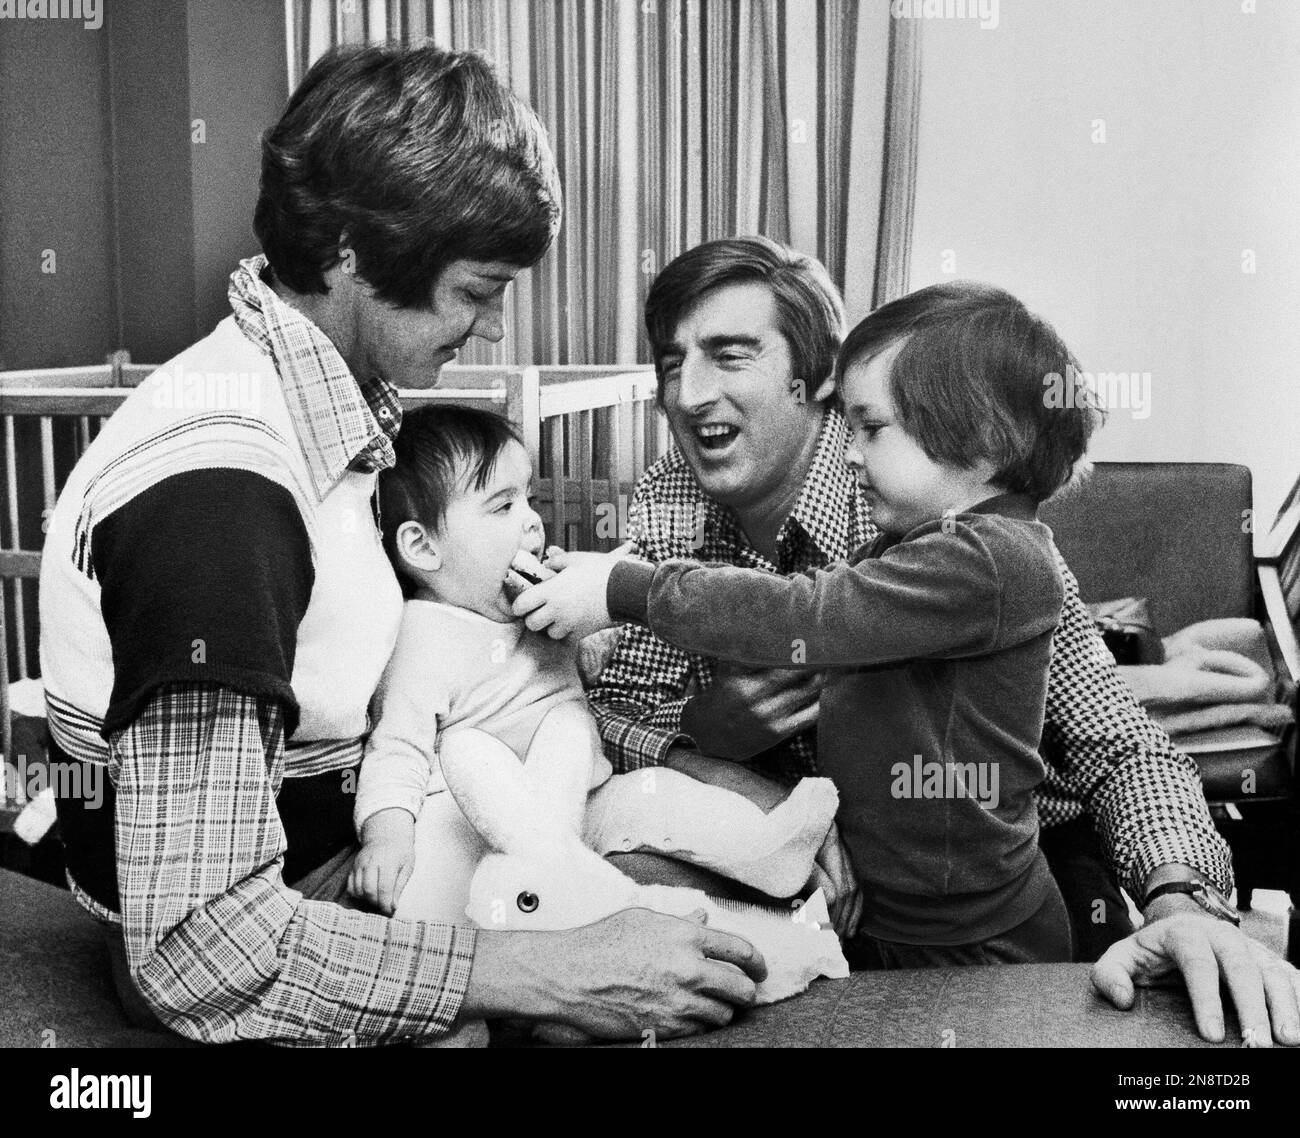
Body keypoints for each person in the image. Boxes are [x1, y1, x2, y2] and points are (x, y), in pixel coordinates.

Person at [38, 44, 763, 1047]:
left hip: (348, 840)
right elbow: (201, 948)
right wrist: (534, 974)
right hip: (271, 905)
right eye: (474, 290)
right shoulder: (220, 493)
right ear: (350, 250)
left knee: (672, 873)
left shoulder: (315, 418)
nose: (494, 328)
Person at [577, 236, 1298, 1042]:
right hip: (814, 874)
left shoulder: (936, 508)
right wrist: (716, 755)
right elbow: (608, 708)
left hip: (993, 887)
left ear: (810, 379)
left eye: (729, 355)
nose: (688, 393)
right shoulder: (671, 495)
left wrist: (1183, 897)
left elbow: (1117, 743)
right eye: (671, 364)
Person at [516, 281, 1098, 965]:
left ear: (982, 442)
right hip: (892, 909)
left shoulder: (993, 558)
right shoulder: (911, 543)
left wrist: (627, 589)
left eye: (873, 429)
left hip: (972, 935)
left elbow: (805, 610)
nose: (851, 452)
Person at [349, 404, 838, 920]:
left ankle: (770, 851)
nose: (533, 521)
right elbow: (395, 751)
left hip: (586, 793)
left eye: (529, 499)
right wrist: (385, 837)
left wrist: (593, 619)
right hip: (474, 822)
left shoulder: (536, 608)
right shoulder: (423, 636)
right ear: (423, 547)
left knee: (672, 801)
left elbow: (587, 682)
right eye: (502, 507)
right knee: (430, 898)